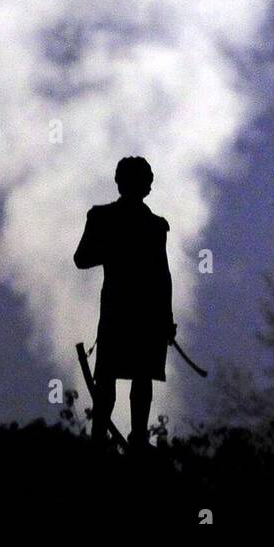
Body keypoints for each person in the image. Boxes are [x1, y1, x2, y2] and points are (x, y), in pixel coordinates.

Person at [73, 156, 175, 449]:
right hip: (120, 311)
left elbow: (162, 274)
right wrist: (115, 250)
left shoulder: (156, 226)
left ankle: (138, 438)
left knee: (140, 379)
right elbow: (82, 259)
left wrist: (166, 319)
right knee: (109, 377)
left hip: (145, 314)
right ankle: (100, 438)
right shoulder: (102, 218)